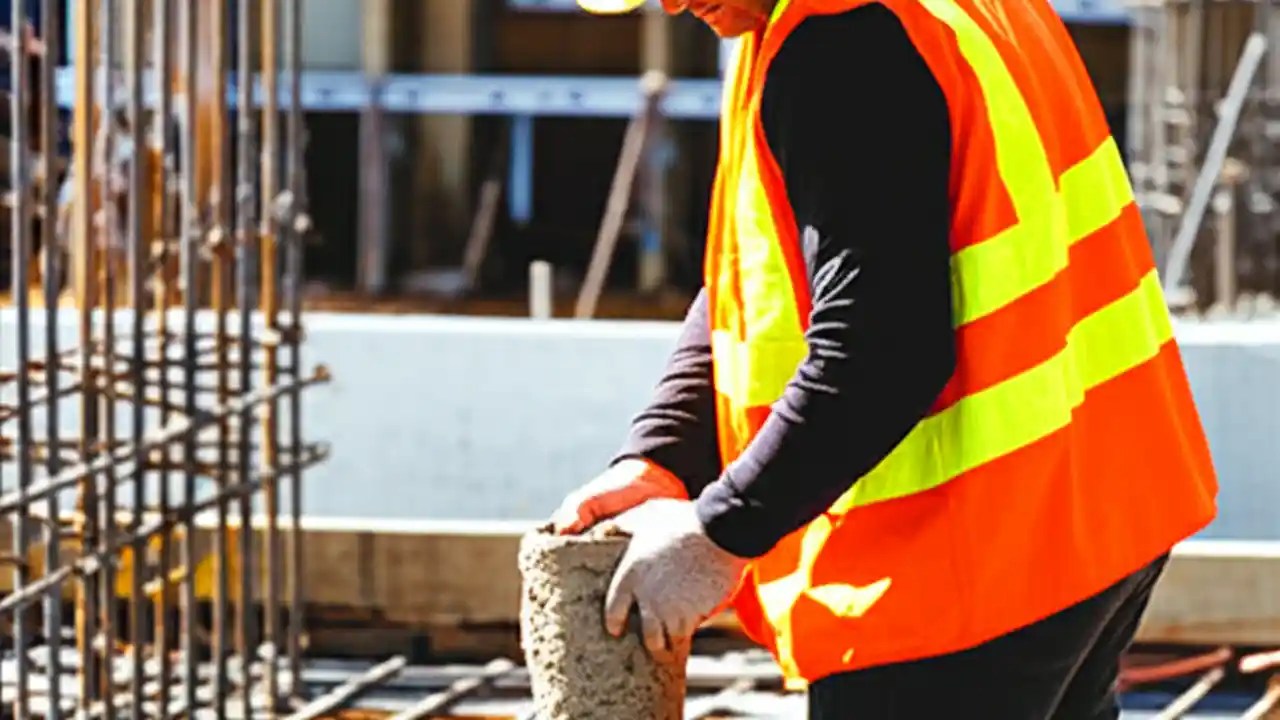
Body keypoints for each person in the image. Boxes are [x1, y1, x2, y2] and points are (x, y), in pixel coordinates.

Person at [551, 0, 1220, 717]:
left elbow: (880, 351)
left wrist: (720, 532)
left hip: (957, 577)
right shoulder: (913, 15)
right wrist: (660, 456)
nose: (675, 4)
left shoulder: (843, 44)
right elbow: (762, 277)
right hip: (1086, 516)